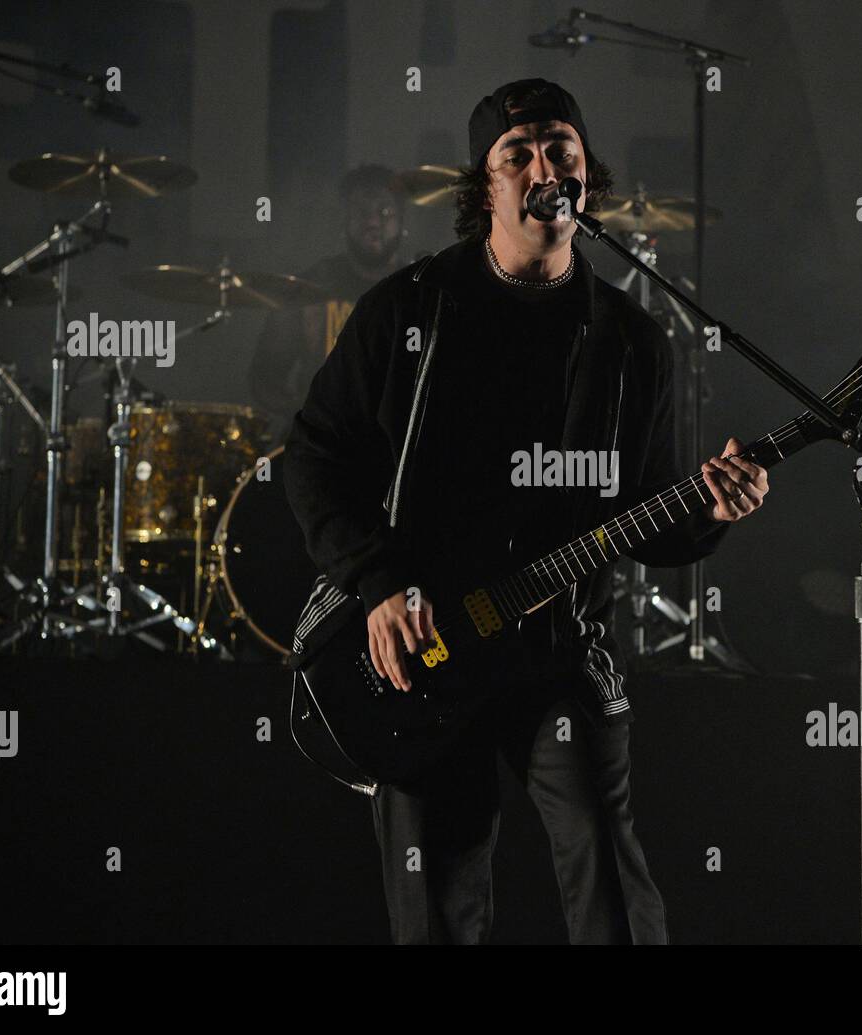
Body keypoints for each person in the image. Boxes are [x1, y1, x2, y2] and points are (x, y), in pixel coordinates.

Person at [283, 78, 768, 944]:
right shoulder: (411, 310)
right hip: (425, 645)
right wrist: (380, 582)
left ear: (586, 176)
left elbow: (651, 516)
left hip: (556, 649)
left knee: (613, 890)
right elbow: (316, 455)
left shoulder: (630, 340)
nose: (546, 166)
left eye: (562, 150)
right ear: (486, 186)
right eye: (521, 154)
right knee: (436, 910)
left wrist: (714, 509)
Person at [249, 164, 406, 437]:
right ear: (343, 220)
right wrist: (305, 413)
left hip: (399, 442)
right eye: (361, 212)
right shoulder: (309, 288)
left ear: (402, 221)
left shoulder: (417, 289)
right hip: (325, 442)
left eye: (384, 212)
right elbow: (266, 376)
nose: (372, 222)